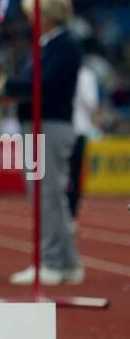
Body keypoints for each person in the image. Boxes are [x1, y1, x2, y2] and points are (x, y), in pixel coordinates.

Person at [0, 0, 83, 285]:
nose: (29, 20)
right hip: (43, 124)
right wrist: (5, 93)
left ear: (47, 14)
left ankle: (53, 261)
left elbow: (46, 84)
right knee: (48, 195)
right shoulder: (48, 44)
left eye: (33, 13)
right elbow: (32, 83)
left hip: (50, 125)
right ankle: (65, 263)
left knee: (47, 196)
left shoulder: (63, 45)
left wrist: (6, 89)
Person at [70, 55, 99, 226]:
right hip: (79, 129)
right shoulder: (86, 76)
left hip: (62, 128)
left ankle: (65, 214)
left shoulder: (63, 71)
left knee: (62, 175)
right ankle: (72, 215)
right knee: (75, 175)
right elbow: (91, 103)